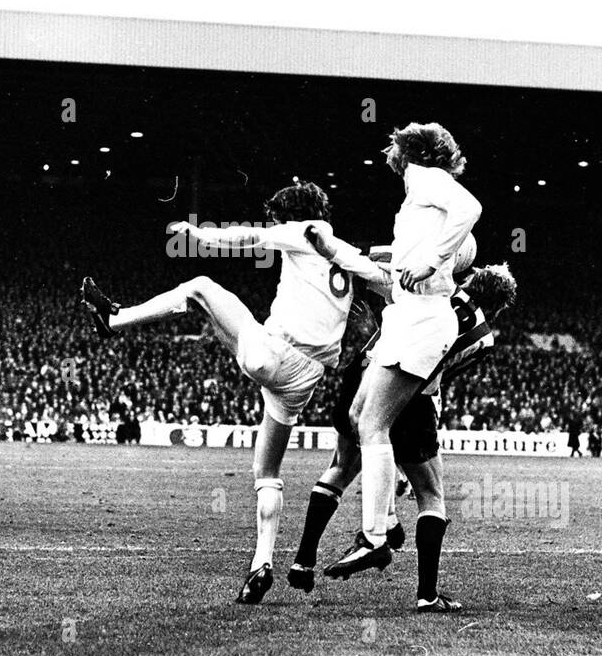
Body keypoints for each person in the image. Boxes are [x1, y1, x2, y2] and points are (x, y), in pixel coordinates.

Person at [80, 181, 388, 604]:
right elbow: (381, 279)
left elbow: (250, 237)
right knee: (267, 472)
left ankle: (114, 321)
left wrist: (199, 235)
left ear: (292, 214)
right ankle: (261, 564)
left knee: (200, 287)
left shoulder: (304, 229)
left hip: (273, 353)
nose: (277, 225)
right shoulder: (348, 257)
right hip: (306, 377)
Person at [291, 264, 516, 612]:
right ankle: (426, 593)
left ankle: (303, 561)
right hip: (414, 396)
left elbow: (389, 298)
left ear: (471, 279)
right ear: (499, 306)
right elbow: (437, 373)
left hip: (362, 376)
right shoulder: (483, 338)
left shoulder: (433, 289)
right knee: (431, 494)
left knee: (341, 468)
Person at [325, 123, 481, 578]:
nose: (390, 155)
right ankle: (387, 524)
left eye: (395, 148)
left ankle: (374, 539)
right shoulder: (420, 193)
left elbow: (471, 207)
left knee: (373, 424)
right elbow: (404, 248)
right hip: (404, 317)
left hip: (423, 318)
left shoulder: (424, 175)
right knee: (357, 416)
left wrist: (432, 262)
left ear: (409, 152)